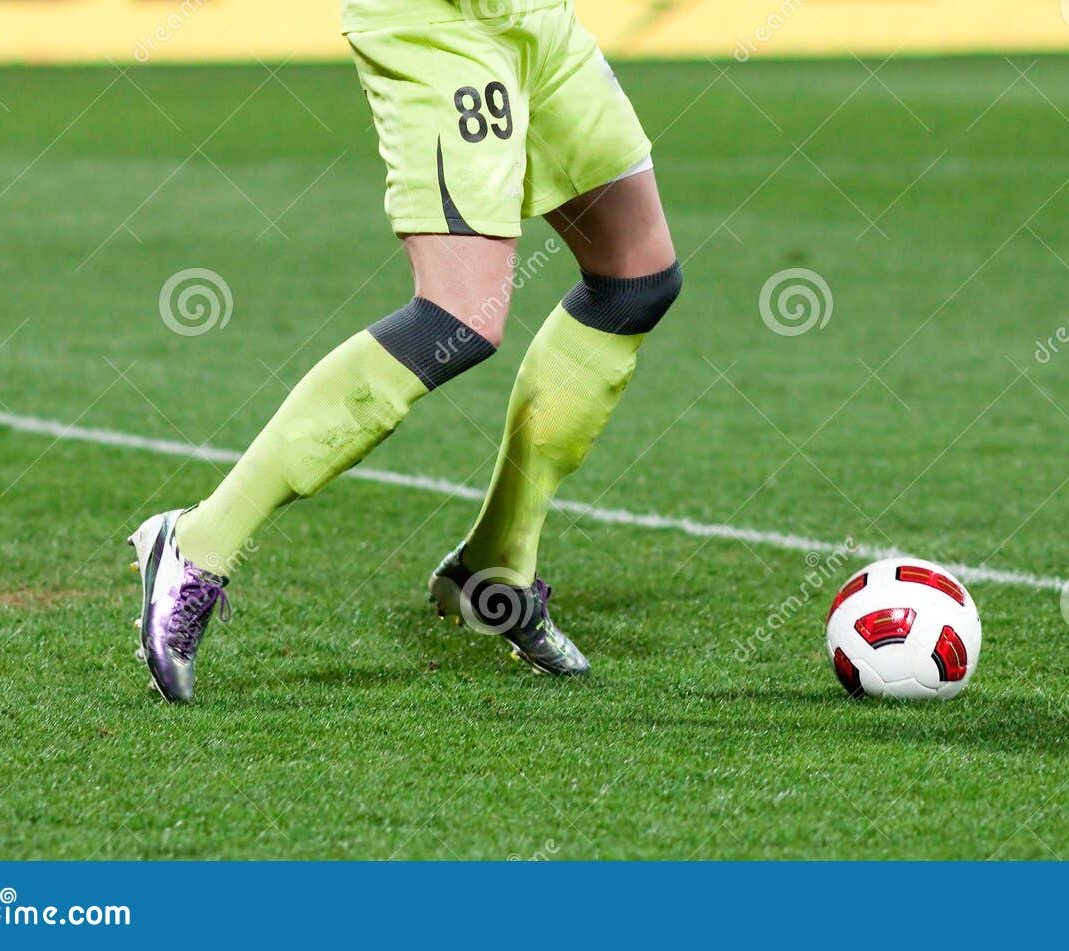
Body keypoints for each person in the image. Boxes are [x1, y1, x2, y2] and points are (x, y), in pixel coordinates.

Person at [127, 0, 682, 703]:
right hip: (439, 21)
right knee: (457, 315)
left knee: (637, 279)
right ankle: (196, 543)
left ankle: (497, 566)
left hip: (537, 18)